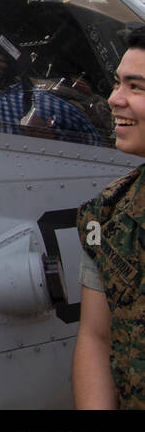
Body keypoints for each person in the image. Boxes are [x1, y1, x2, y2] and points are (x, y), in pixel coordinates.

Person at [74, 27, 145, 408]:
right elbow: (96, 338)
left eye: (137, 87)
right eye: (118, 83)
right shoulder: (104, 217)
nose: (115, 99)